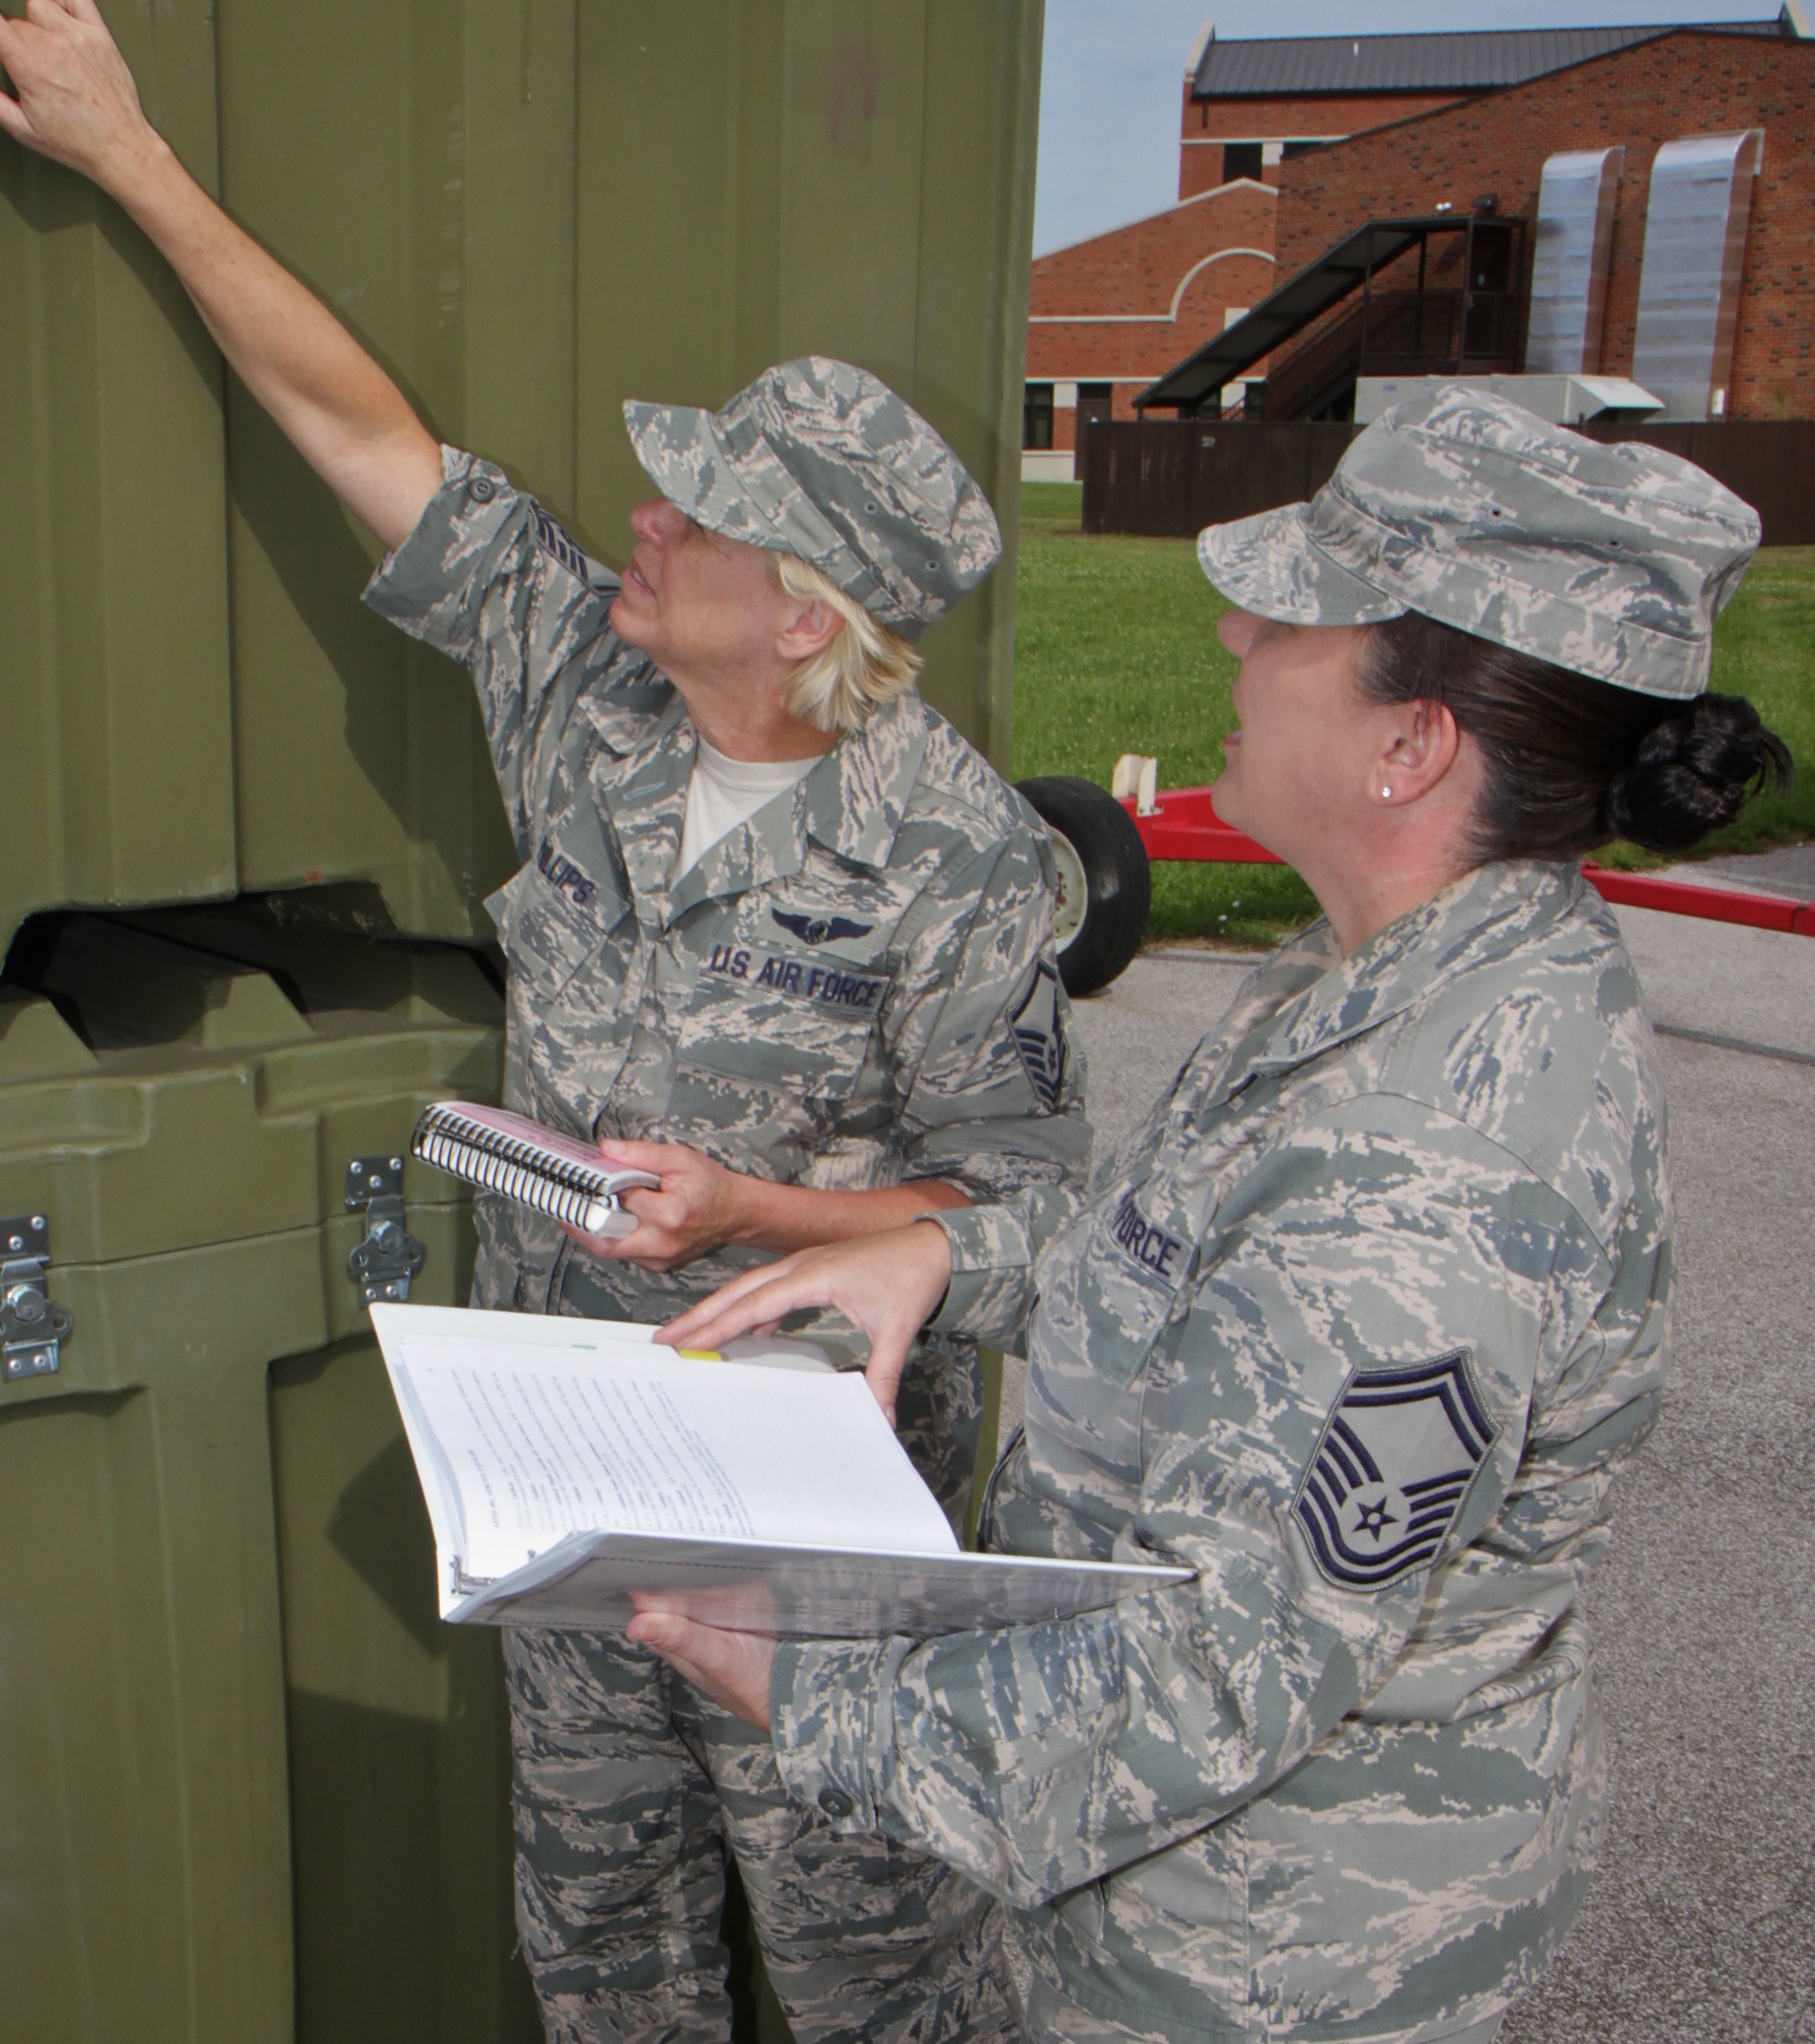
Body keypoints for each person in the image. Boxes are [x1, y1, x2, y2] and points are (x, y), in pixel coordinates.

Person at [0, 0, 1092, 2042]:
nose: (629, 518)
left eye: (690, 512)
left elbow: (1016, 1221)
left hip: (800, 1537)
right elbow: (350, 423)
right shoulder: (586, 684)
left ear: (801, 611)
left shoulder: (958, 860)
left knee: (874, 1977)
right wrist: (128, 157)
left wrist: (756, 1216)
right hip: (562, 1488)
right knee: (605, 1957)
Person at [641, 386, 1793, 2043]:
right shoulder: (1381, 970)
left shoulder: (1434, 1170)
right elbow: (1192, 1260)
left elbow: (1218, 1673)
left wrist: (803, 1691)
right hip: (1198, 1892)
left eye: (1299, 617)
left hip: (1269, 1952)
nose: (1240, 629)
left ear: (1414, 744)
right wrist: (949, 1248)